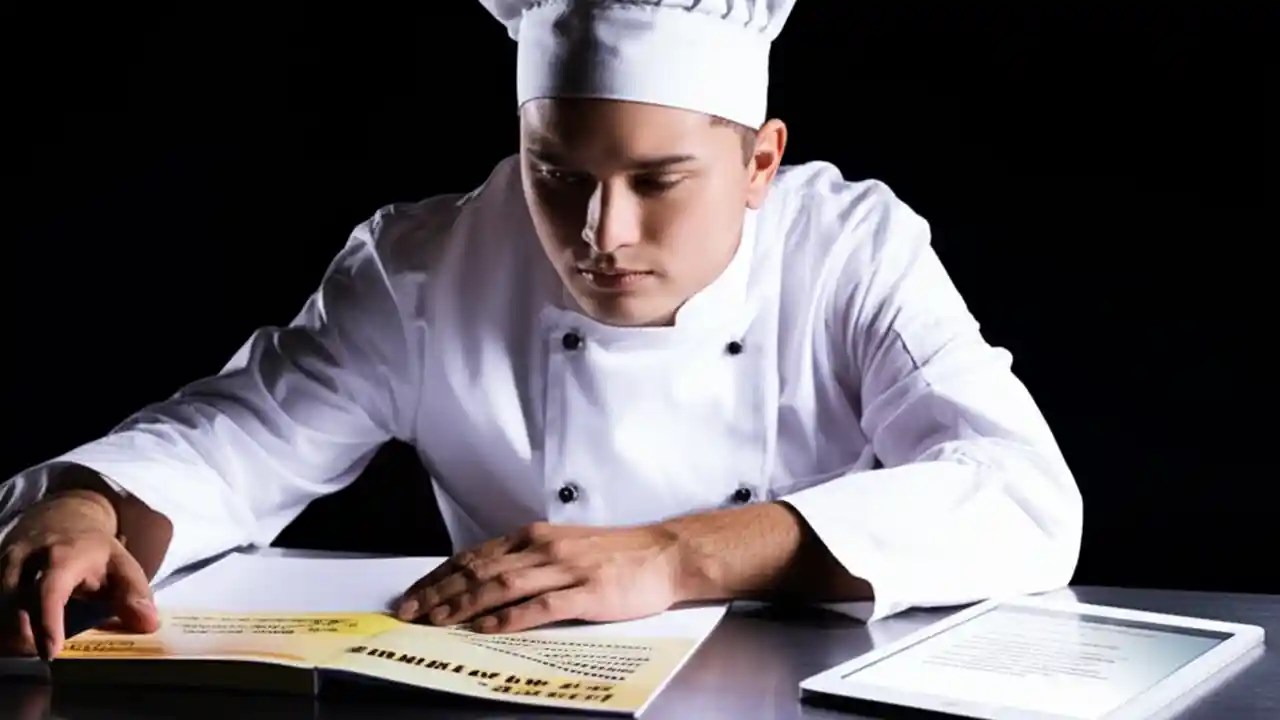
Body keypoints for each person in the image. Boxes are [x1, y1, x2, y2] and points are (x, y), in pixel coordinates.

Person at [0, 0, 1083, 661]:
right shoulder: (428, 265)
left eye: (657, 181)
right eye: (555, 175)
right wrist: (88, 505)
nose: (601, 233)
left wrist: (675, 555)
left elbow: (1021, 496)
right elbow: (236, 442)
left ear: (760, 163)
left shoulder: (849, 251)